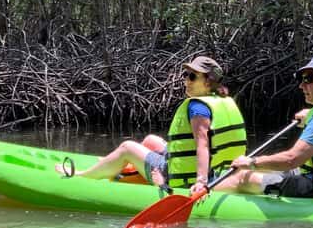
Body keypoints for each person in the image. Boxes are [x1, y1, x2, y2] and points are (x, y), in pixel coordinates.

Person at [58, 56, 247, 193]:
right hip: (220, 171)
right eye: (186, 74)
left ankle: (83, 175)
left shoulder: (198, 108)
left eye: (192, 77)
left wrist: (201, 181)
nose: (186, 80)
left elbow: (202, 146)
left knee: (127, 147)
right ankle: (117, 166)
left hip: (183, 178)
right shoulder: (219, 99)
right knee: (151, 140)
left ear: (208, 82)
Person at [199, 56, 313, 198]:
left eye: (309, 79)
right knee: (254, 169)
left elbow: (291, 159)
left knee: (244, 177)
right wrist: (311, 115)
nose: (301, 85)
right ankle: (213, 183)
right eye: (301, 79)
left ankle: (203, 196)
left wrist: (251, 162)